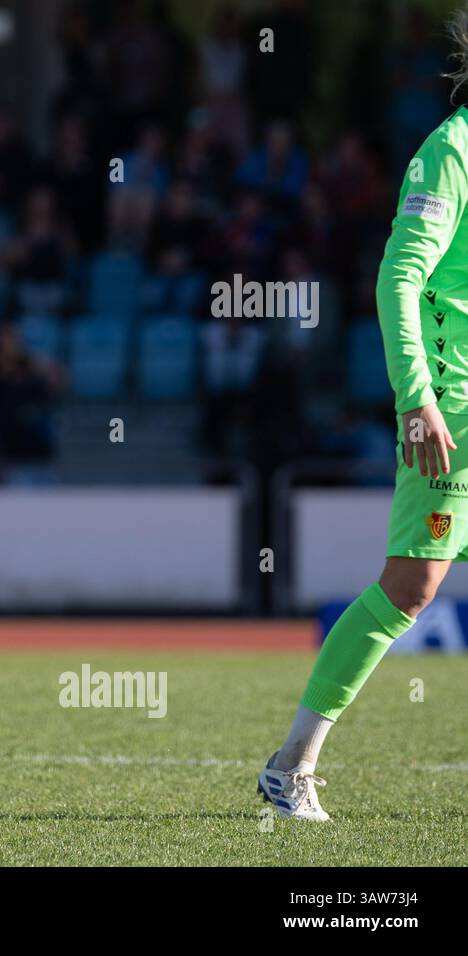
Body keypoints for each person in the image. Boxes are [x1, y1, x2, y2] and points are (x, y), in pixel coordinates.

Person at [258, 6, 468, 821]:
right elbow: (397, 281)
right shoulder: (450, 153)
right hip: (451, 402)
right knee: (411, 586)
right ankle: (290, 765)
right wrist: (416, 397)